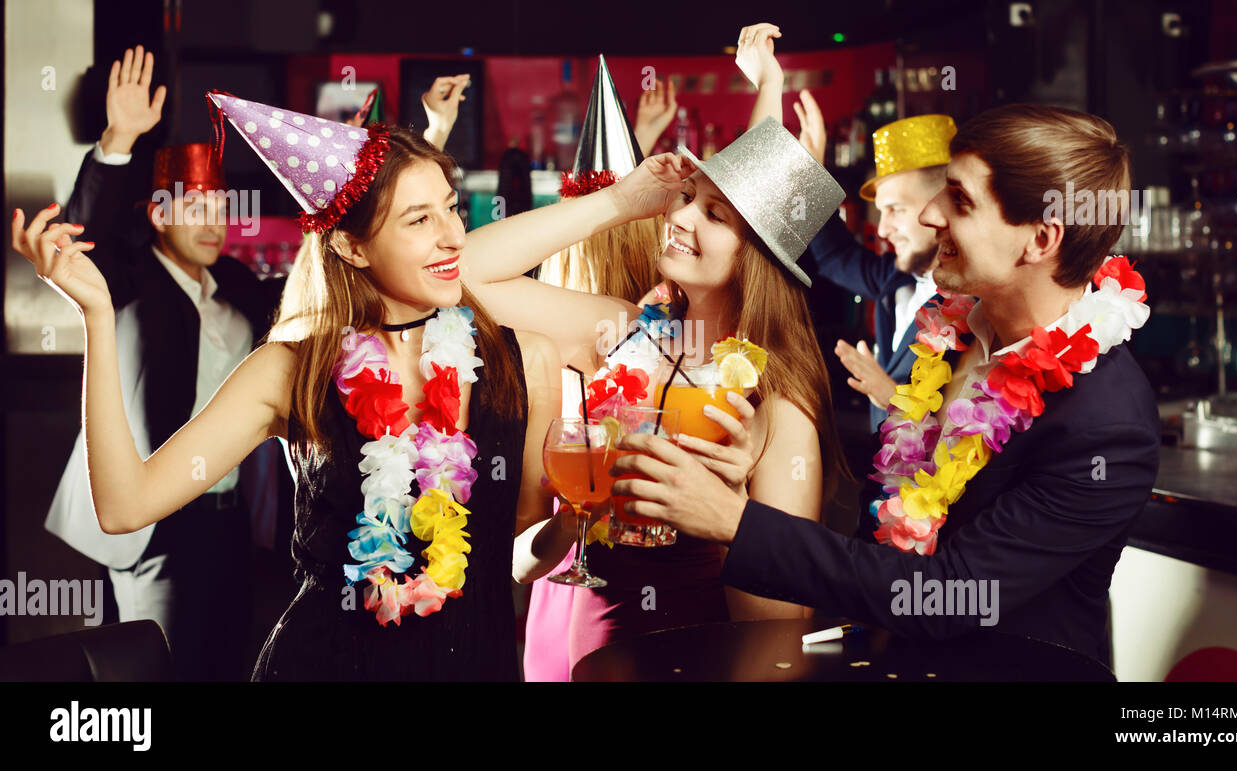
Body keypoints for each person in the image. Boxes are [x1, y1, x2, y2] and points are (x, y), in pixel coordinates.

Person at [15, 94, 560, 681]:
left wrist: (578, 523)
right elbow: (125, 507)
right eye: (419, 219)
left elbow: (520, 551)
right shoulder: (290, 371)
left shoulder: (522, 360)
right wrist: (96, 315)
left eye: (451, 209)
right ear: (351, 246)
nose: (454, 237)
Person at [610, 103, 1159, 667]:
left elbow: (947, 595)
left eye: (960, 200)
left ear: (1040, 240)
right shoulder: (951, 332)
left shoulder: (1106, 426)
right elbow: (887, 535)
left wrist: (735, 522)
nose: (928, 214)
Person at [463, 113, 853, 672]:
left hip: (675, 659)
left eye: (714, 214)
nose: (682, 215)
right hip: (565, 641)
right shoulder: (621, 333)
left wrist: (728, 512)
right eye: (687, 196)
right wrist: (618, 203)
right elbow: (463, 275)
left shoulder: (775, 404)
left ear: (757, 260)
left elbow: (776, 628)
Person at [41, 46, 288, 681]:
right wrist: (119, 138)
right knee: (156, 674)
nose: (215, 224)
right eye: (195, 208)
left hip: (230, 524)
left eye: (222, 208)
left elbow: (308, 296)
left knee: (228, 664)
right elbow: (82, 237)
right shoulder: (129, 277)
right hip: (155, 525)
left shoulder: (234, 283)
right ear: (157, 213)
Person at [522, 55, 667, 682]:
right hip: (649, 606)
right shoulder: (688, 344)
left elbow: (520, 554)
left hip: (556, 603)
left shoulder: (535, 351)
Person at [736, 23, 954, 433]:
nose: (884, 229)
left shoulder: (979, 308)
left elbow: (982, 434)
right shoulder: (897, 277)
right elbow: (835, 254)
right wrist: (809, 169)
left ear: (941, 209)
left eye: (896, 210)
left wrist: (889, 395)